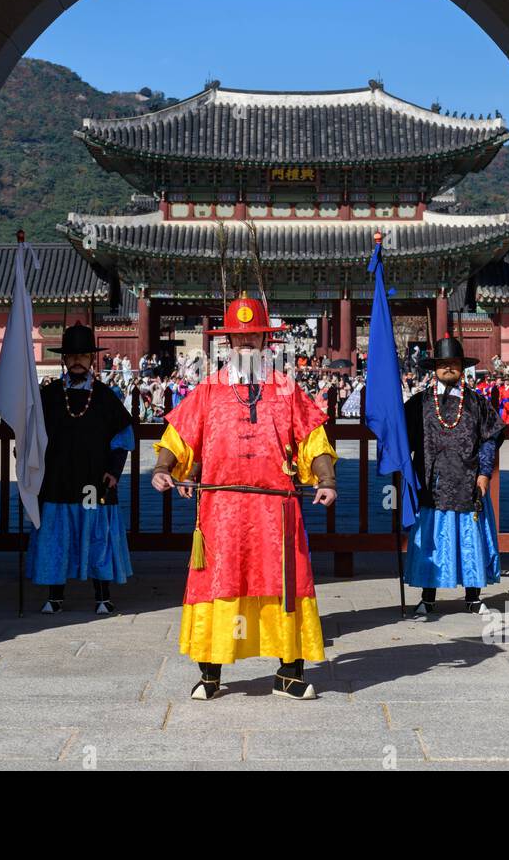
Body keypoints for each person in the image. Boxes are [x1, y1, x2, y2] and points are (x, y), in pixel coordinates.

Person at [151, 294, 337, 701]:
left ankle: (289, 673)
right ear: (228, 342)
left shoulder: (286, 389)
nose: (246, 344)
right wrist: (164, 468)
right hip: (221, 510)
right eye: (239, 337)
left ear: (266, 340)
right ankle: (211, 674)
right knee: (218, 582)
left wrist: (326, 479)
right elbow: (178, 437)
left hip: (276, 509)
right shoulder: (208, 391)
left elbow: (314, 441)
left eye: (254, 337)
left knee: (283, 583)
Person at [25, 323, 135, 615]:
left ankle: (102, 596)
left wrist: (114, 470)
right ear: (64, 359)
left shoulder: (104, 396)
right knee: (55, 537)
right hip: (57, 480)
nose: (77, 361)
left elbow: (123, 438)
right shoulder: (47, 396)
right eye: (72, 356)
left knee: (98, 536)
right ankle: (55, 598)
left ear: (91, 359)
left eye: (83, 355)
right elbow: (31, 436)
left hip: (94, 482)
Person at [402, 337, 503, 616]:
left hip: (468, 481)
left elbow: (490, 439)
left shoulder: (477, 403)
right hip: (431, 481)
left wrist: (484, 473)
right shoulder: (418, 403)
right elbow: (402, 437)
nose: (448, 368)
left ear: (462, 368)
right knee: (431, 541)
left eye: (453, 364)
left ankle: (473, 597)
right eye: (443, 364)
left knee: (471, 540)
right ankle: (427, 598)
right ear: (434, 369)